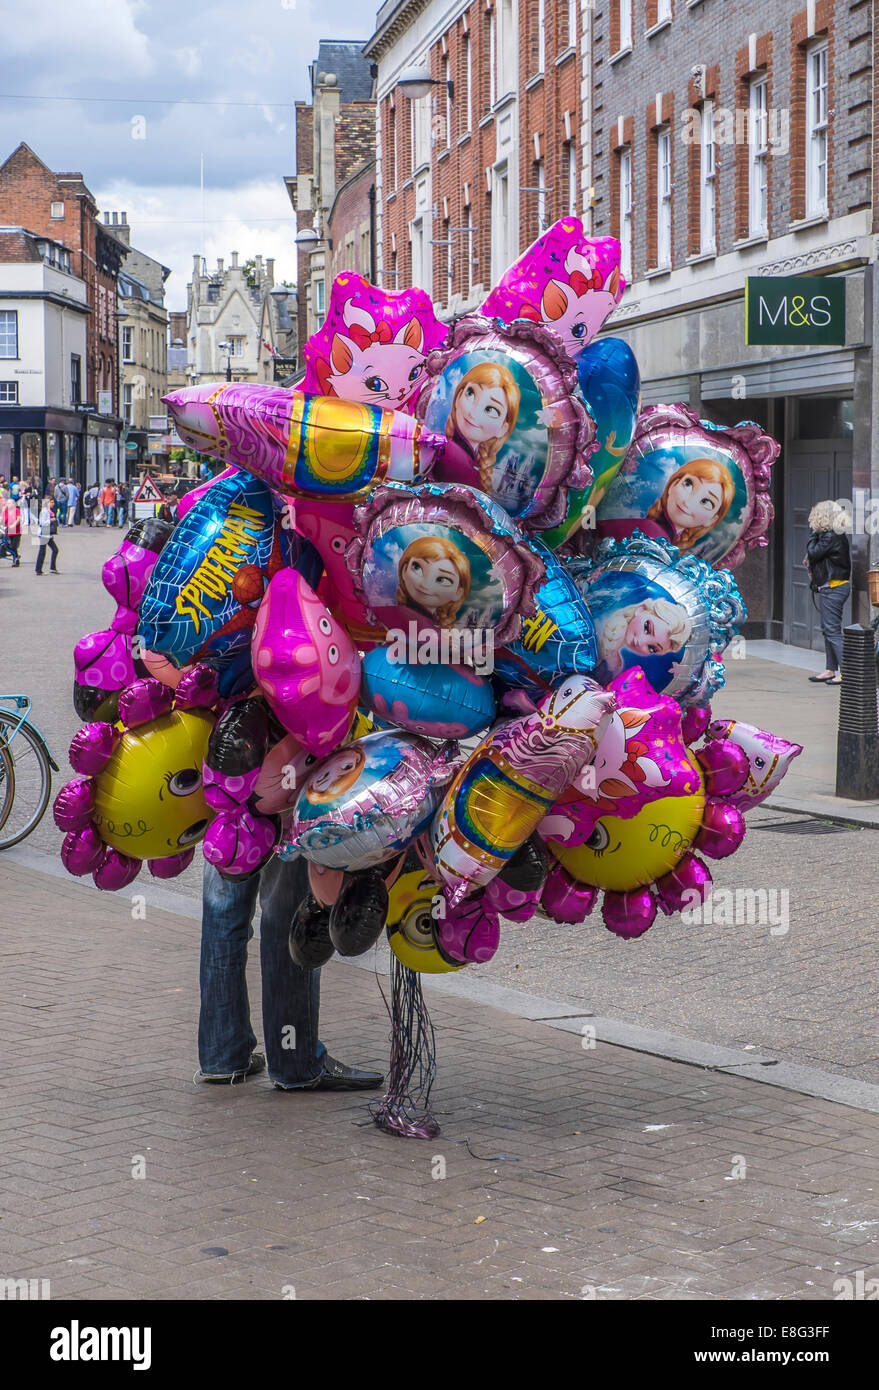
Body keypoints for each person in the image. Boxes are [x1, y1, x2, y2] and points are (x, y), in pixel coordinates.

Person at [196, 856, 384, 1091]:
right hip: (280, 822)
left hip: (221, 818)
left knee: (224, 909)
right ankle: (293, 1060)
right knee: (284, 914)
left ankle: (222, 1054)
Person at [444, 362, 521, 494]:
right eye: (470, 393)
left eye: (490, 409)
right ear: (458, 397)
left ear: (503, 428)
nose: (473, 413)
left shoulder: (472, 463)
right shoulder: (451, 454)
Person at [805, 500, 851, 686]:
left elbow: (813, 552)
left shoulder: (830, 536)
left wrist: (812, 533)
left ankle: (845, 672)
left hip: (834, 588)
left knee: (832, 631)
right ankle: (830, 669)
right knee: (828, 630)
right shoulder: (832, 536)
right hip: (830, 587)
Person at [646, 458, 736, 551]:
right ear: (673, 485)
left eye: (705, 501)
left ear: (712, 519)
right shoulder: (644, 530)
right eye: (688, 484)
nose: (688, 502)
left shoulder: (676, 542)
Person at [597, 597, 693, 681]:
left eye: (652, 648)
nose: (641, 641)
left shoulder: (618, 664)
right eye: (647, 628)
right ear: (641, 610)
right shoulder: (601, 625)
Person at [396, 535, 471, 629]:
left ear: (458, 593)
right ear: (404, 570)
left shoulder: (442, 631)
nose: (425, 584)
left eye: (441, 580)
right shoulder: (385, 615)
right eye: (417, 567)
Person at [35, 496, 59, 575]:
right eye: (51, 502)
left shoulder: (49, 511)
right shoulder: (44, 511)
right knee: (42, 552)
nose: (53, 504)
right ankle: (38, 570)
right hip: (44, 533)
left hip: (48, 534)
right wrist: (51, 520)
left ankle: (53, 568)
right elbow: (42, 523)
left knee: (55, 550)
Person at [1, 491, 22, 566]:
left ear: (14, 504)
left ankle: (16, 559)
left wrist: (14, 524)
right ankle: (16, 558)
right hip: (8, 531)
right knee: (7, 546)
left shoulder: (17, 510)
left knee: (13, 546)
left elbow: (18, 519)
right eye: (8, 503)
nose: (9, 504)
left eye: (10, 503)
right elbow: (1, 518)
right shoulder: (5, 511)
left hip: (16, 531)